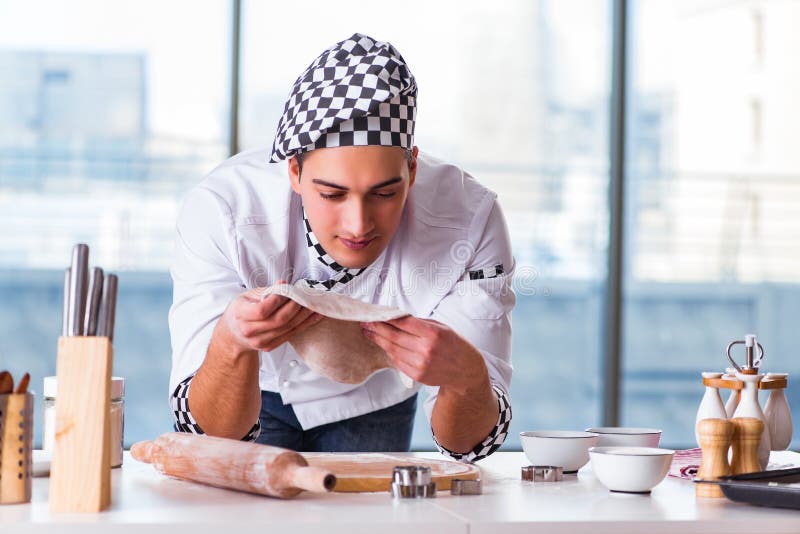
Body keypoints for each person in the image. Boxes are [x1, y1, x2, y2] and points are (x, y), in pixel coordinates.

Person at [168, 33, 514, 462]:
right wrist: (230, 341)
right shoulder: (223, 210)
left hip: (376, 399)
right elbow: (207, 432)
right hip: (258, 384)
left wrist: (468, 377)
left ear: (411, 168)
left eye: (385, 194)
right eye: (332, 194)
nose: (359, 224)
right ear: (293, 170)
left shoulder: (471, 218)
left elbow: (470, 444)